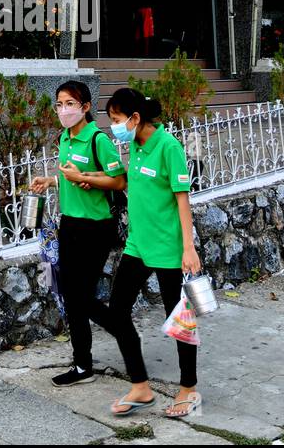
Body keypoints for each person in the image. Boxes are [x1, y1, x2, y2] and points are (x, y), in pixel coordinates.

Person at [102, 88, 202, 419]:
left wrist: (189, 248)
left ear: (135, 118)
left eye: (116, 120)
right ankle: (140, 386)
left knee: (180, 320)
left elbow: (182, 199)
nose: (113, 127)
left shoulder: (168, 147)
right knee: (117, 311)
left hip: (169, 249)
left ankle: (189, 388)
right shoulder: (136, 144)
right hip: (138, 245)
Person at [30, 81, 127, 387]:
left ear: (85, 107)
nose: (63, 110)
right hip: (69, 223)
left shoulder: (98, 140)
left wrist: (87, 177)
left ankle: (120, 329)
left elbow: (119, 181)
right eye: (59, 104)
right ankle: (83, 365)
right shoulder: (65, 139)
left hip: (96, 227)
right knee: (72, 297)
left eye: (70, 104)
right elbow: (69, 175)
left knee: (80, 296)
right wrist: (51, 180)